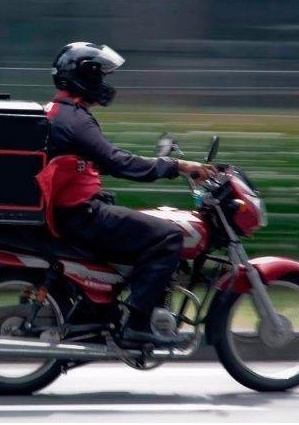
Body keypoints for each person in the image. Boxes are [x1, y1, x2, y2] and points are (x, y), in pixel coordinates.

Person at [41, 42, 214, 345]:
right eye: (98, 77)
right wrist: (177, 166)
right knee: (168, 236)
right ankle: (137, 323)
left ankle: (114, 307)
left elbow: (93, 161)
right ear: (81, 77)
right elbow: (117, 162)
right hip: (80, 217)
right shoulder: (75, 119)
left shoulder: (59, 113)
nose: (103, 84)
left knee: (139, 228)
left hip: (70, 212)